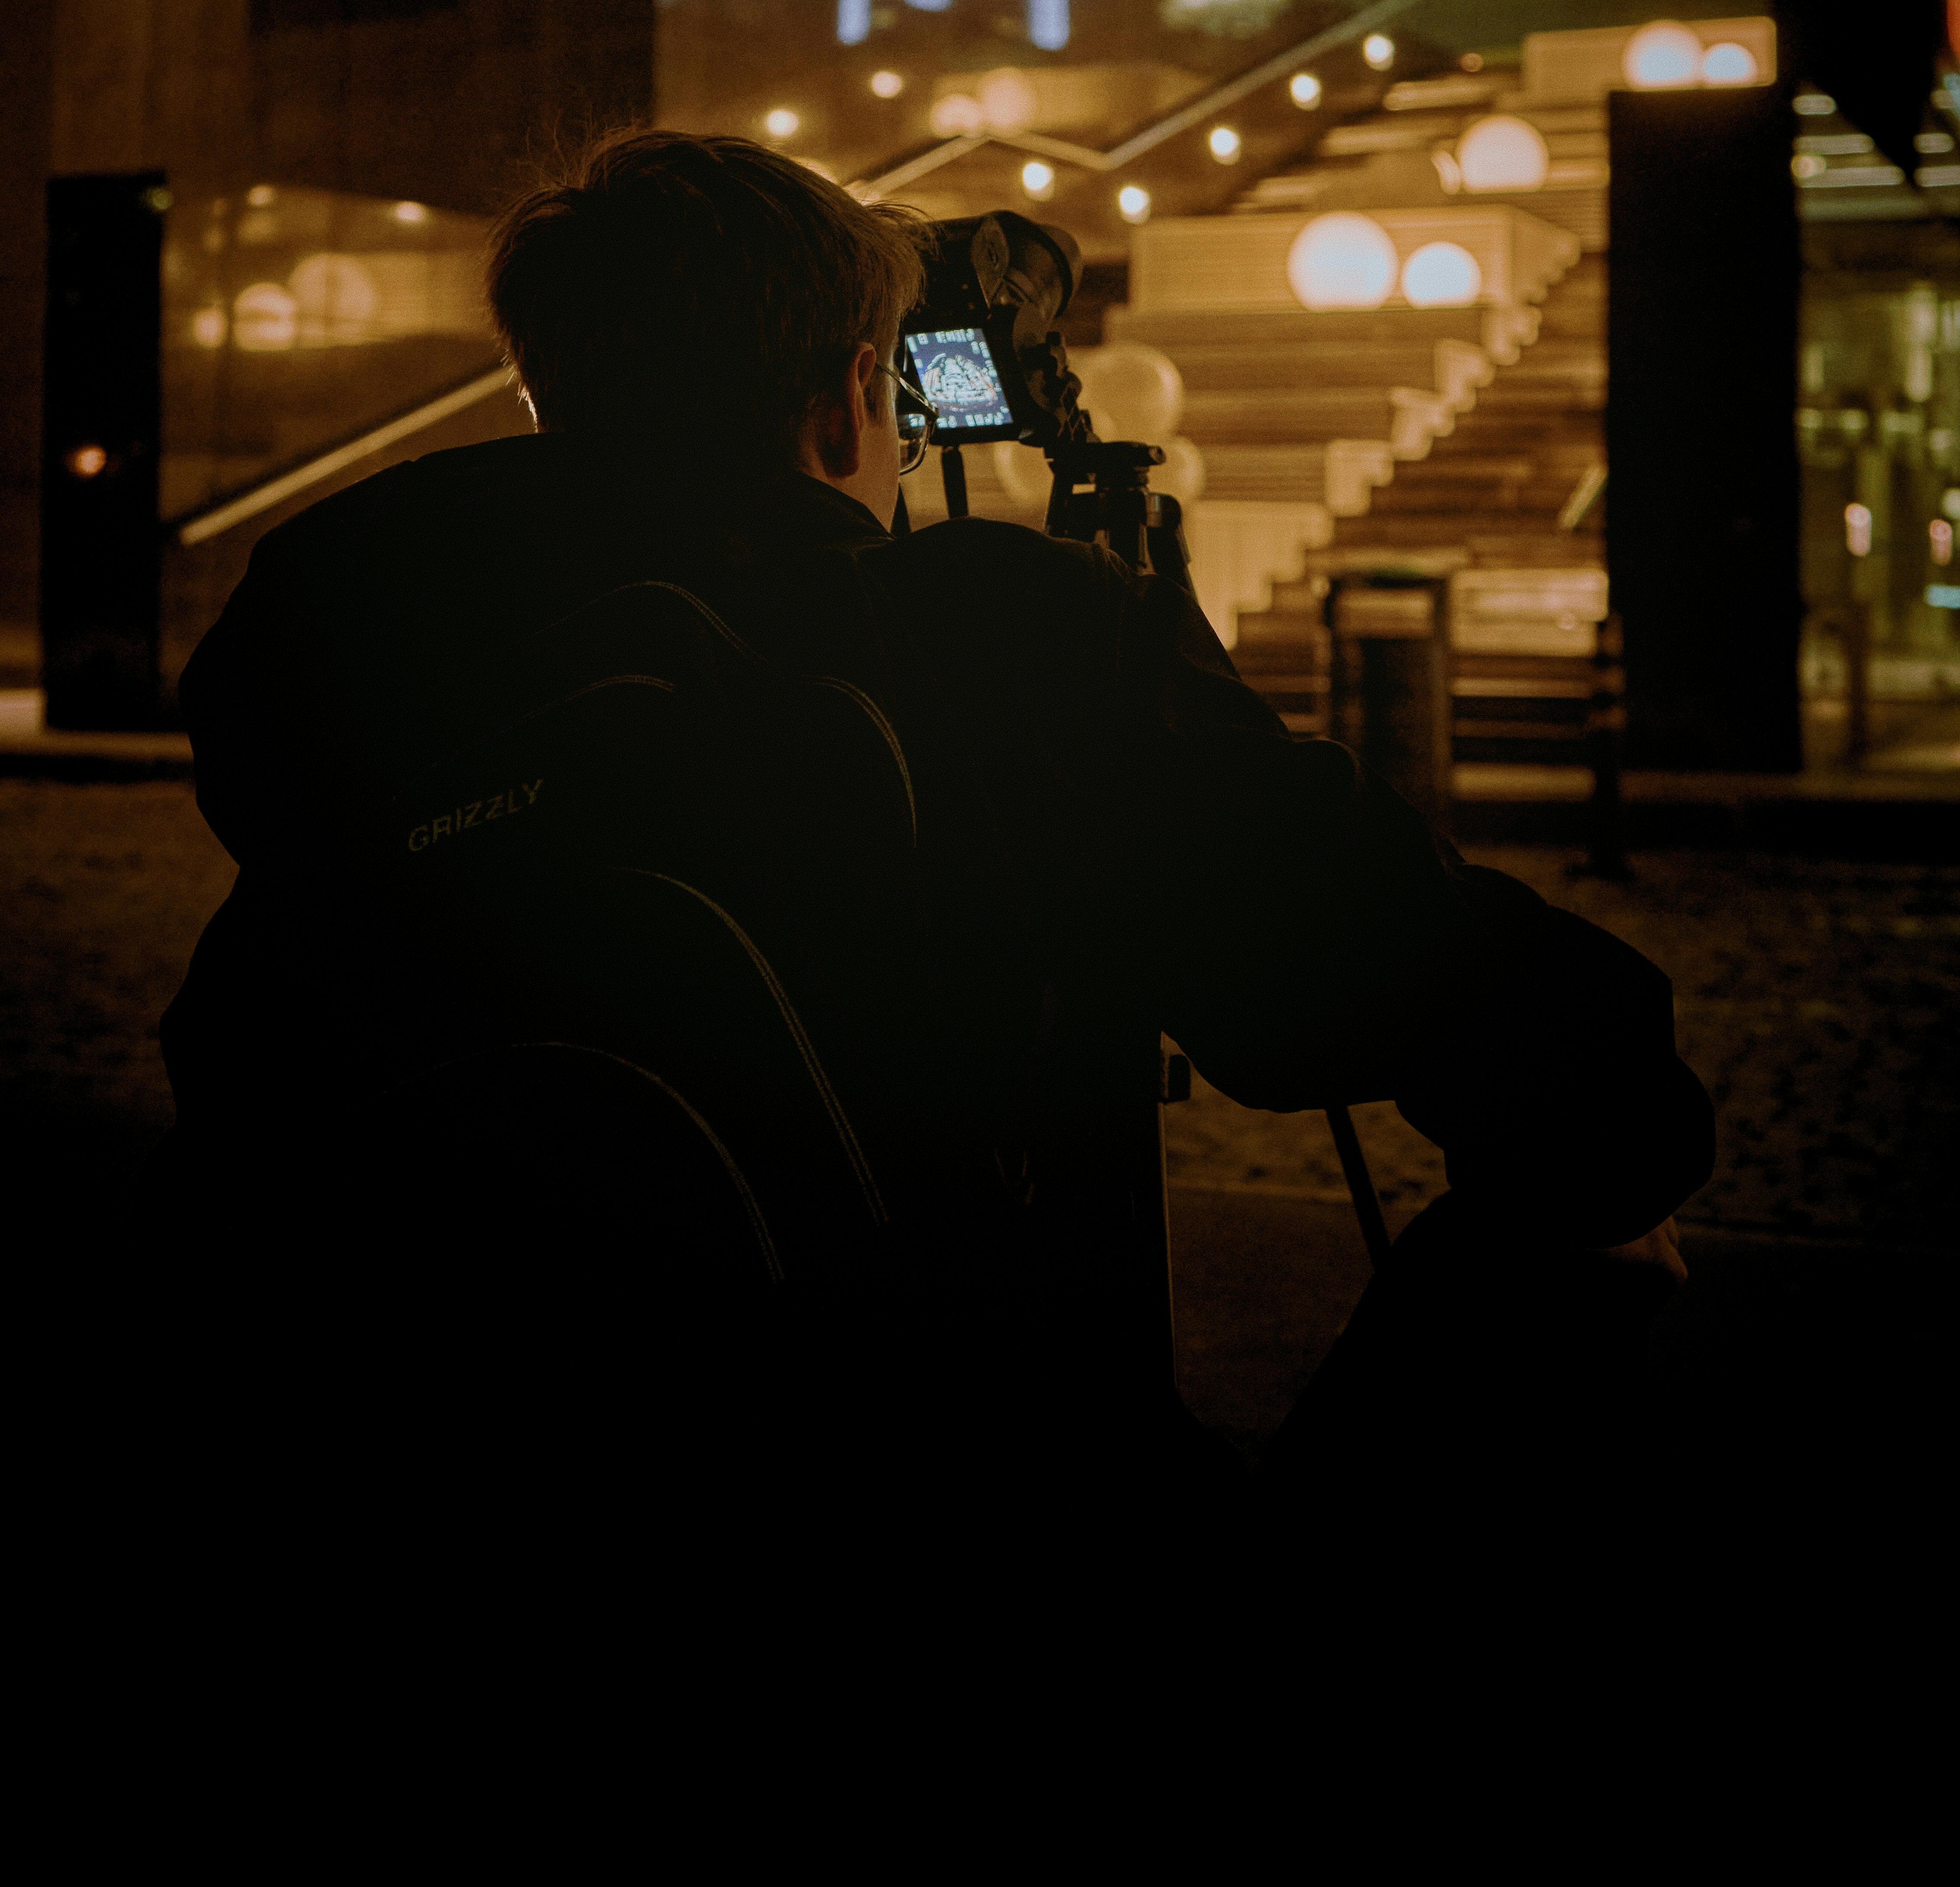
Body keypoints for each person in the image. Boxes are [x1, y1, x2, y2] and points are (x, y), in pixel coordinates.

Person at [161, 127, 1711, 1559]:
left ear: (549, 391)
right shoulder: (991, 640)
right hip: (937, 1506)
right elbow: (1486, 1013)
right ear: (849, 395)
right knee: (1594, 1222)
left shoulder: (364, 655)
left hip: (431, 1470)